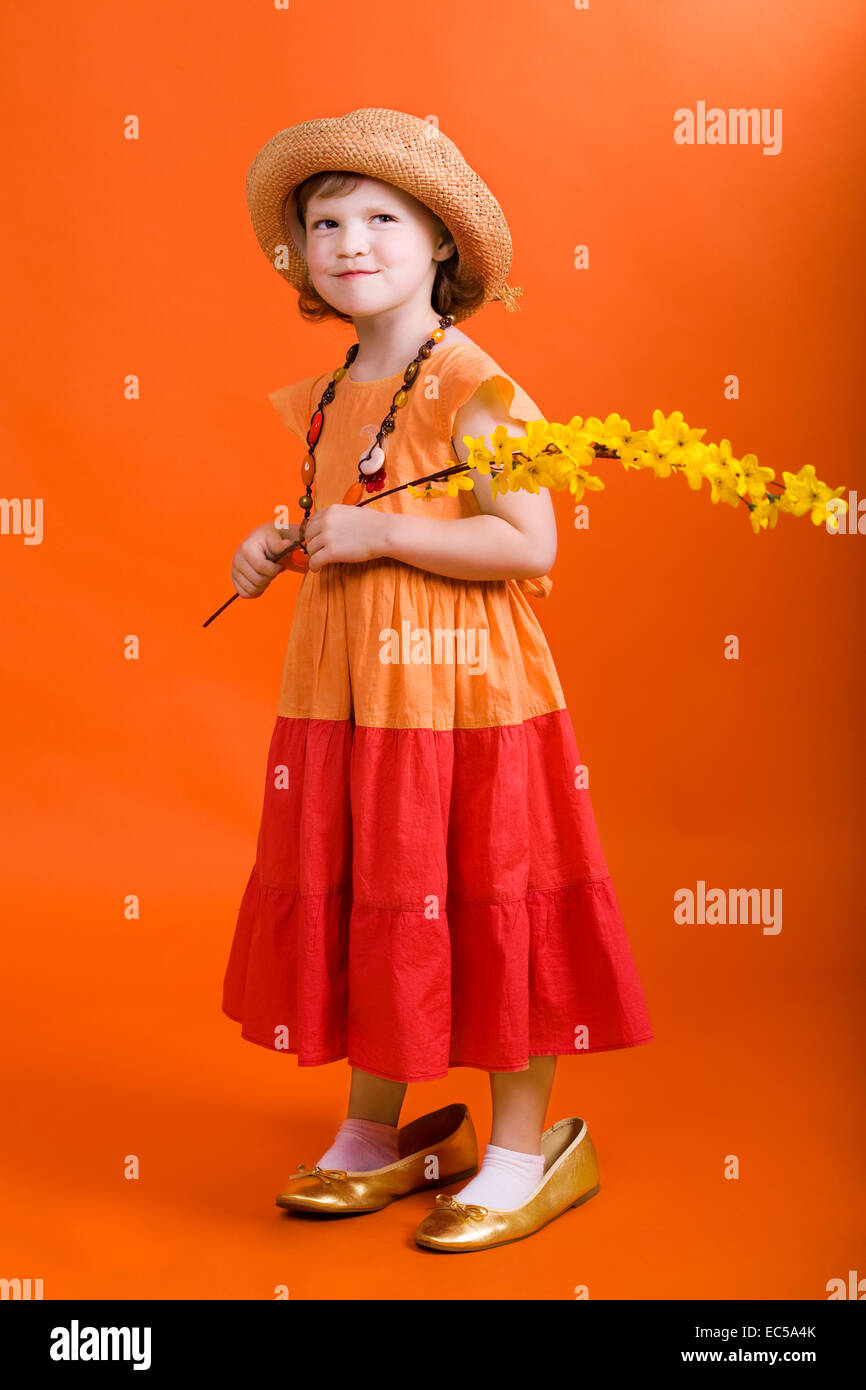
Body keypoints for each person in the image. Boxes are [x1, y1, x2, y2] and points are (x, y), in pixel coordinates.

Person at [221, 109, 653, 1252]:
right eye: (325, 223)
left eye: (381, 218)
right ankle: (376, 1130)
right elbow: (354, 516)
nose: (348, 242)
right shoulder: (337, 387)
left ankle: (519, 1150)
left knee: (490, 891)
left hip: (462, 700)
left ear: (440, 244)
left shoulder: (475, 382)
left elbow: (526, 541)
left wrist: (381, 536)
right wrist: (282, 545)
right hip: (356, 700)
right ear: (300, 252)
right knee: (380, 886)